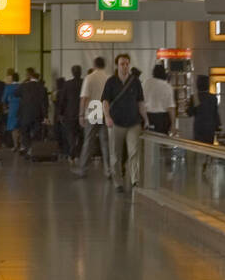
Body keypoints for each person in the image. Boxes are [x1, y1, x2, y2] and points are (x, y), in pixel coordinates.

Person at [101, 53, 147, 194]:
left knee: (134, 152)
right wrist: (107, 117)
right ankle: (118, 182)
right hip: (116, 123)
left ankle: (135, 181)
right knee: (115, 154)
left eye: (127, 64)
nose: (125, 66)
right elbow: (105, 101)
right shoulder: (111, 81)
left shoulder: (135, 82)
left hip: (133, 123)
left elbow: (140, 102)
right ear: (117, 65)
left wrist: (145, 118)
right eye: (122, 64)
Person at [74, 57, 111, 179]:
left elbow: (84, 98)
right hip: (105, 111)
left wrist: (81, 115)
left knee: (89, 141)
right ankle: (108, 170)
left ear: (94, 65)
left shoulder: (89, 78)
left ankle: (83, 169)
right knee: (105, 142)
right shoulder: (108, 78)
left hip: (93, 111)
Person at [17, 68, 48, 153]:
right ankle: (34, 150)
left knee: (25, 132)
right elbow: (44, 104)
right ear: (38, 78)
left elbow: (16, 93)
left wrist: (24, 82)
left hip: (25, 113)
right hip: (38, 114)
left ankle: (27, 149)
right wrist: (45, 116)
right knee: (36, 132)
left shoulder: (24, 86)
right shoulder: (42, 88)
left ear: (30, 77)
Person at [56, 65, 84, 159]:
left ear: (72, 73)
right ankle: (78, 151)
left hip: (70, 113)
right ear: (80, 72)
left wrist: (60, 113)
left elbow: (62, 100)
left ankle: (72, 148)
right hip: (82, 112)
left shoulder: (67, 84)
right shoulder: (84, 82)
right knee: (81, 134)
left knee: (70, 133)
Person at [186, 75, 222, 144]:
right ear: (208, 85)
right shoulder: (213, 97)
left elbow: (190, 113)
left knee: (199, 147)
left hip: (199, 127)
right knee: (208, 147)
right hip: (210, 127)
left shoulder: (195, 97)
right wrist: (218, 126)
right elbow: (215, 114)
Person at [144, 63, 175, 134]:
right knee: (162, 140)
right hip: (162, 118)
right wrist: (173, 124)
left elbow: (142, 101)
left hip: (148, 116)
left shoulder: (147, 83)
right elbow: (171, 108)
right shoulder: (167, 86)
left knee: (150, 140)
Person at [2, 70, 22, 149]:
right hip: (22, 107)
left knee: (13, 128)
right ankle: (22, 145)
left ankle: (15, 145)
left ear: (12, 79)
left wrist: (5, 108)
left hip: (13, 107)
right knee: (21, 127)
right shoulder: (21, 86)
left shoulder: (8, 87)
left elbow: (4, 99)